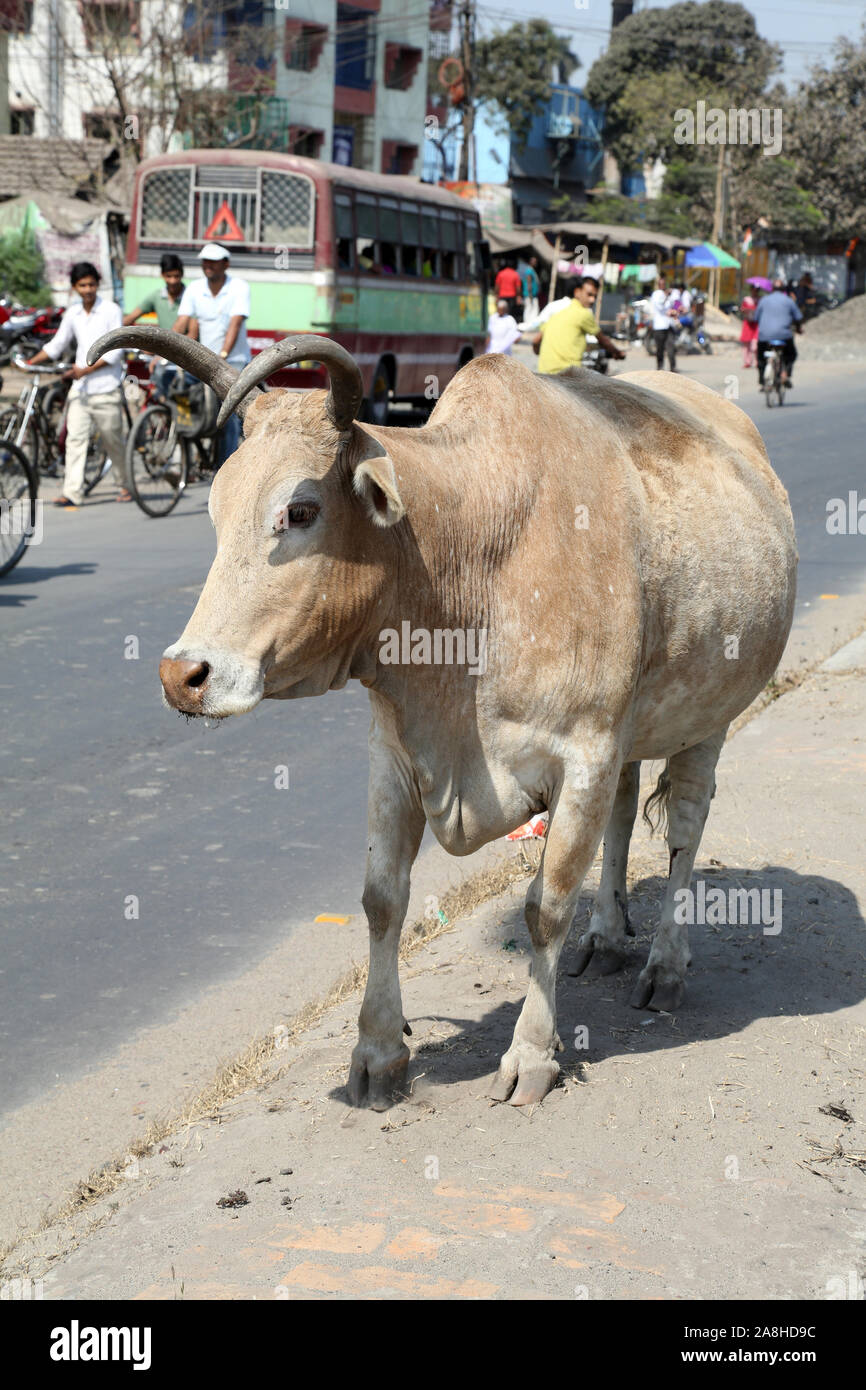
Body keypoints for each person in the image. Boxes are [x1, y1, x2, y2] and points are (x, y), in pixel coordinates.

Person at [28, 261, 132, 507]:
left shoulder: (111, 310)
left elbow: (115, 352)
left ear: (98, 285)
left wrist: (86, 370)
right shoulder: (73, 313)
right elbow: (57, 345)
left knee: (113, 440)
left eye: (92, 284)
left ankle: (124, 485)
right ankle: (72, 492)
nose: (88, 289)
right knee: (75, 439)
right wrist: (31, 362)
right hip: (81, 391)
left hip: (106, 388)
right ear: (75, 287)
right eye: (82, 285)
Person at [174, 243, 251, 464]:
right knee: (177, 390)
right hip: (204, 362)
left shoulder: (238, 287)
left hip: (232, 362)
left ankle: (225, 468)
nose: (208, 266)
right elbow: (182, 323)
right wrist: (161, 349)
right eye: (205, 261)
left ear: (225, 264)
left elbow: (235, 325)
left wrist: (224, 354)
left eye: (213, 261)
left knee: (227, 416)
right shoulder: (195, 289)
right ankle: (182, 456)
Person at [122, 253, 186, 399]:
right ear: (163, 275)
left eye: (176, 276)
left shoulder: (190, 296)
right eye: (169, 276)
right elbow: (131, 317)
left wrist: (161, 352)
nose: (173, 281)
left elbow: (187, 331)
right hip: (164, 353)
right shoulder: (156, 296)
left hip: (183, 354)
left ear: (182, 275)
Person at [536, 276, 625, 375]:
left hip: (543, 371)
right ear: (577, 292)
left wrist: (540, 353)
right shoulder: (584, 314)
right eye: (589, 295)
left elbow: (536, 340)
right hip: (565, 373)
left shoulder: (558, 314)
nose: (592, 300)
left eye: (595, 296)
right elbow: (603, 340)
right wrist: (618, 353)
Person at [755, 275, 803, 389]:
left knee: (761, 357)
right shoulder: (789, 301)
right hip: (784, 336)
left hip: (764, 336)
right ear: (784, 290)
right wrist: (798, 329)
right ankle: (785, 374)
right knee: (791, 354)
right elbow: (798, 318)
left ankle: (762, 379)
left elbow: (756, 318)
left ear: (772, 289)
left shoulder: (764, 300)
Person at [650, 275, 678, 370]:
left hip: (669, 324)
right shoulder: (656, 294)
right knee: (660, 348)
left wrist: (677, 309)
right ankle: (660, 367)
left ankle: (673, 367)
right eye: (661, 284)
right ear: (659, 285)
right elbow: (660, 306)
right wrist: (666, 296)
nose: (663, 285)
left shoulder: (669, 294)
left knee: (671, 347)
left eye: (664, 284)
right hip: (659, 326)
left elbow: (675, 304)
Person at [518, 256, 540, 325]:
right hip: (530, 295)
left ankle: (531, 323)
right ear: (530, 262)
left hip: (532, 294)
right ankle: (527, 323)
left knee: (533, 308)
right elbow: (529, 283)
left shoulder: (531, 270)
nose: (535, 263)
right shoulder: (529, 270)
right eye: (534, 261)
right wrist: (530, 294)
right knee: (529, 308)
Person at [739, 294, 759, 368]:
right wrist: (746, 310)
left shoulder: (760, 300)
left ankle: (757, 361)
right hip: (748, 323)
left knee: (755, 345)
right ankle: (747, 362)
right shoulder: (746, 299)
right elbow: (742, 309)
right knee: (746, 344)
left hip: (756, 324)